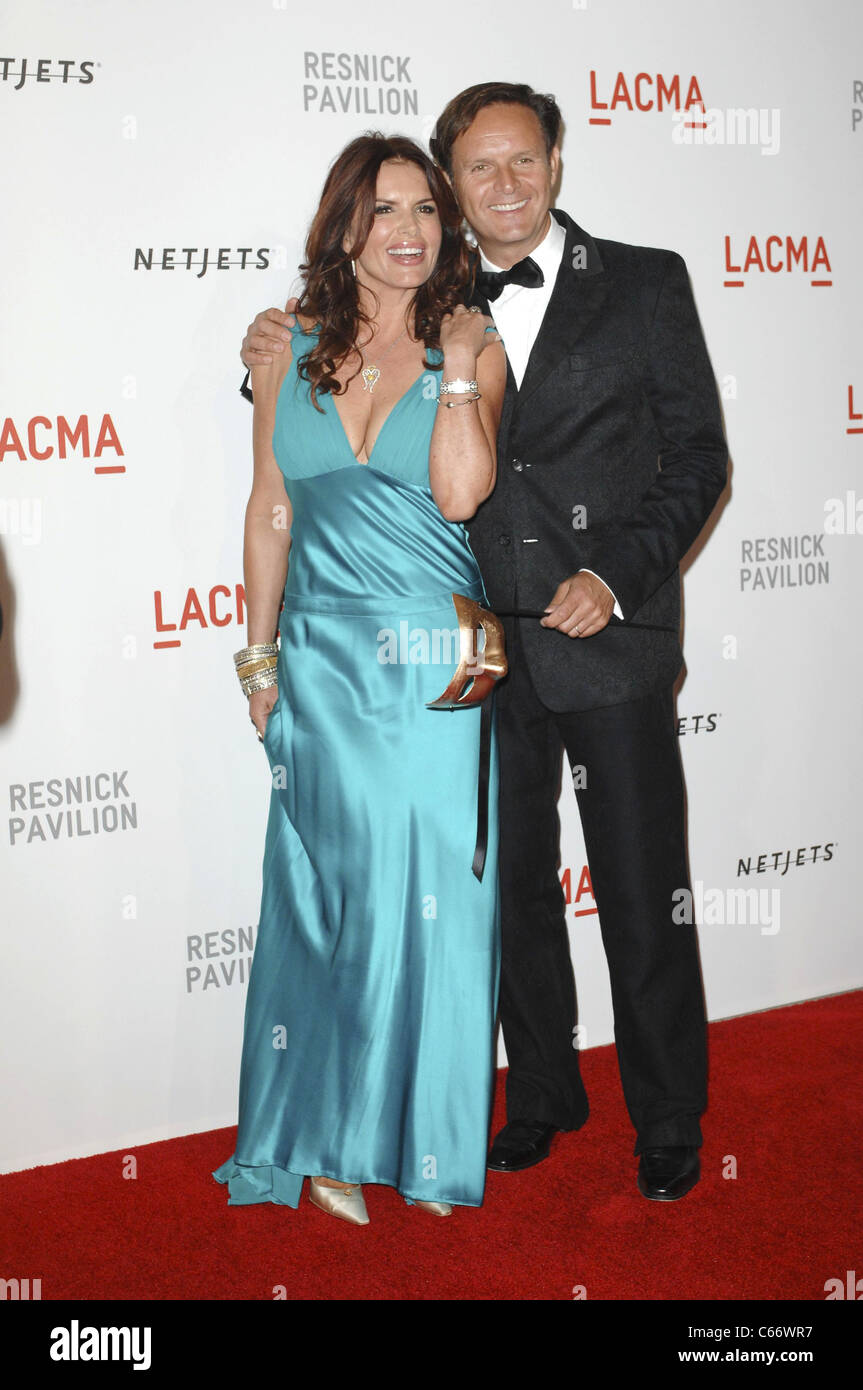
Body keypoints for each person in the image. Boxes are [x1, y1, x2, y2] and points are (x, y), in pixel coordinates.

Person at [239, 83, 729, 1203]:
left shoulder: (646, 282)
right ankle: (543, 1096)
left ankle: (665, 1116)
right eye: (477, 170)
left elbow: (697, 459)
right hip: (467, 650)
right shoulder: (435, 290)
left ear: (555, 161)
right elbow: (324, 424)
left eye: (522, 161)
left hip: (605, 634)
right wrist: (266, 337)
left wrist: (614, 577)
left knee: (640, 883)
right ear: (452, 189)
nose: (502, 185)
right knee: (506, 897)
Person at [213, 133, 506, 1226]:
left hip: (433, 660)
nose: (408, 231)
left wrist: (465, 372)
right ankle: (318, 1135)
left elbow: (462, 498)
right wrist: (256, 655)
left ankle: (421, 1141)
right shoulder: (284, 349)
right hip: (321, 660)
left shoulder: (469, 344)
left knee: (427, 902)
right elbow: (268, 507)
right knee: (321, 898)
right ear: (345, 226)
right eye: (383, 211)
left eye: (426, 210)